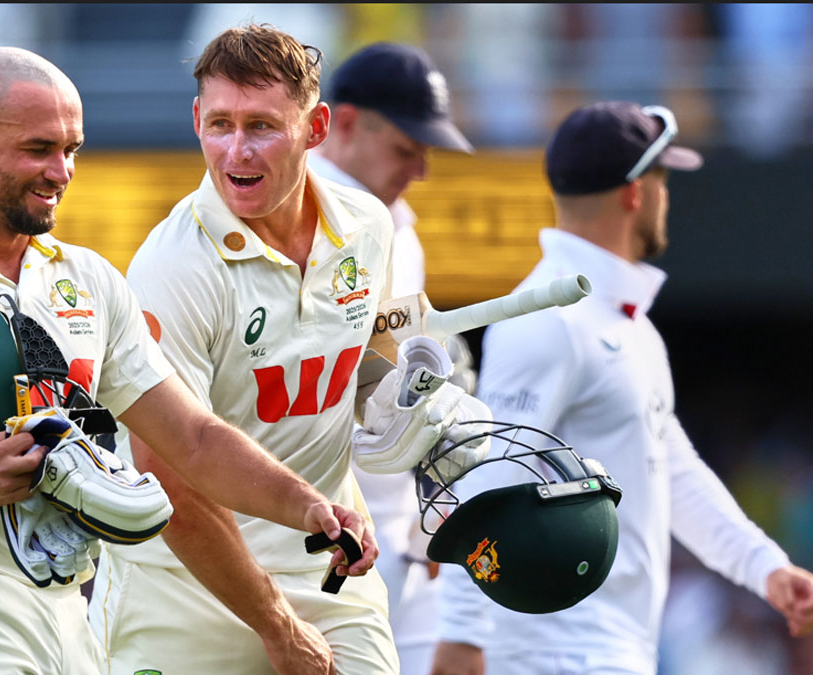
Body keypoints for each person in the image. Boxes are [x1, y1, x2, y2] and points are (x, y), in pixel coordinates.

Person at [0, 46, 376, 674]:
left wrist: (305, 506)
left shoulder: (89, 280)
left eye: (71, 149)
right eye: (38, 149)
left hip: (72, 615)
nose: (61, 171)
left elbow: (190, 436)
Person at [90, 24, 486, 675]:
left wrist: (439, 428)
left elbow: (365, 372)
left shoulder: (370, 227)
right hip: (188, 591)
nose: (235, 151)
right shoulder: (170, 268)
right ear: (195, 120)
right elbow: (172, 472)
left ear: (317, 125)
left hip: (333, 570)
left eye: (262, 126)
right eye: (219, 123)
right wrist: (277, 623)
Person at [431, 101, 813, 675]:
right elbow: (488, 479)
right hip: (553, 654)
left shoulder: (628, 328)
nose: (667, 196)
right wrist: (460, 636)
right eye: (662, 178)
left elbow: (673, 471)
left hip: (607, 649)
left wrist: (765, 568)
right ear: (635, 192)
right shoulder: (549, 322)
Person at [307, 42, 475, 675]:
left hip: (402, 530)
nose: (422, 169)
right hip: (325, 534)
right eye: (408, 147)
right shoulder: (301, 215)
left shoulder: (399, 227)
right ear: (345, 122)